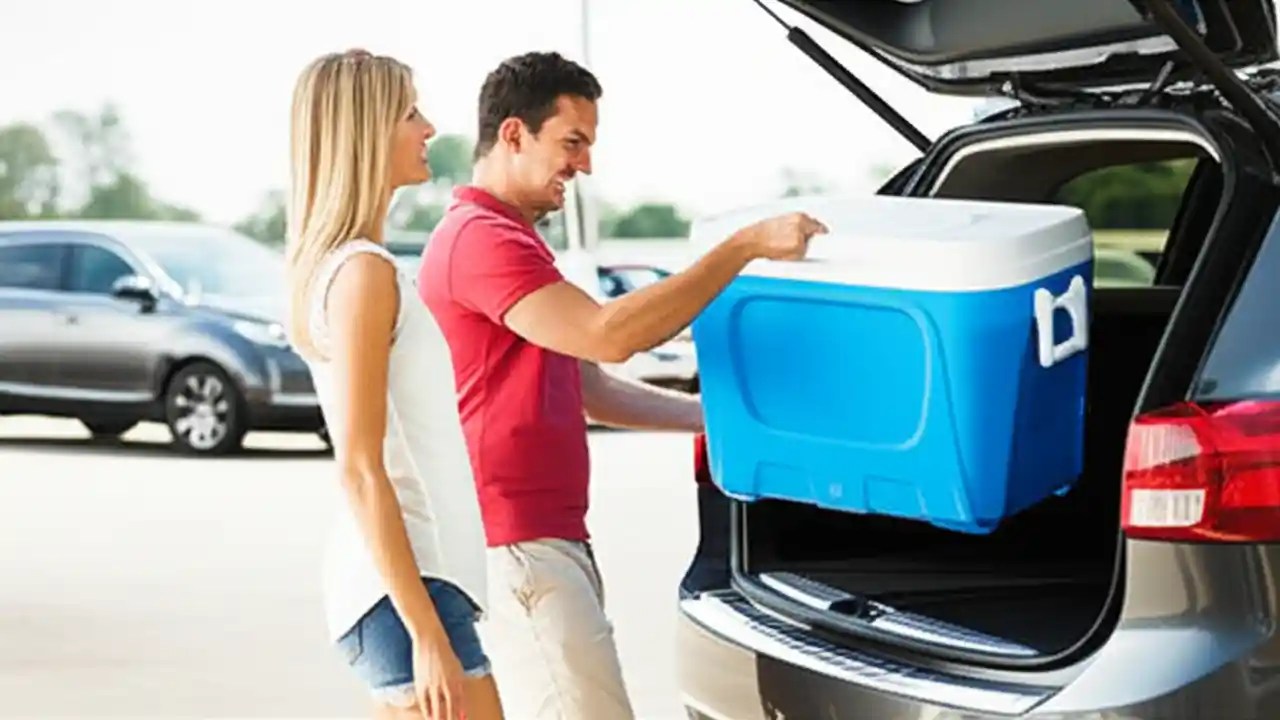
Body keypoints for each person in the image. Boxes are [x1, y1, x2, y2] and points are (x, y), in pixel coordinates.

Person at [418, 51, 825, 719]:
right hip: (518, 545)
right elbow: (609, 334)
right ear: (514, 133)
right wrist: (743, 247)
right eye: (572, 142)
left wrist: (719, 420)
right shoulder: (481, 239)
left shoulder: (510, 240)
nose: (584, 165)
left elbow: (592, 388)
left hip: (546, 540)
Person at [284, 49, 504, 720]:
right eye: (409, 113)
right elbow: (359, 467)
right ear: (365, 131)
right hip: (405, 595)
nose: (429, 127)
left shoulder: (355, 268)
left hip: (410, 588)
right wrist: (427, 636)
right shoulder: (362, 274)